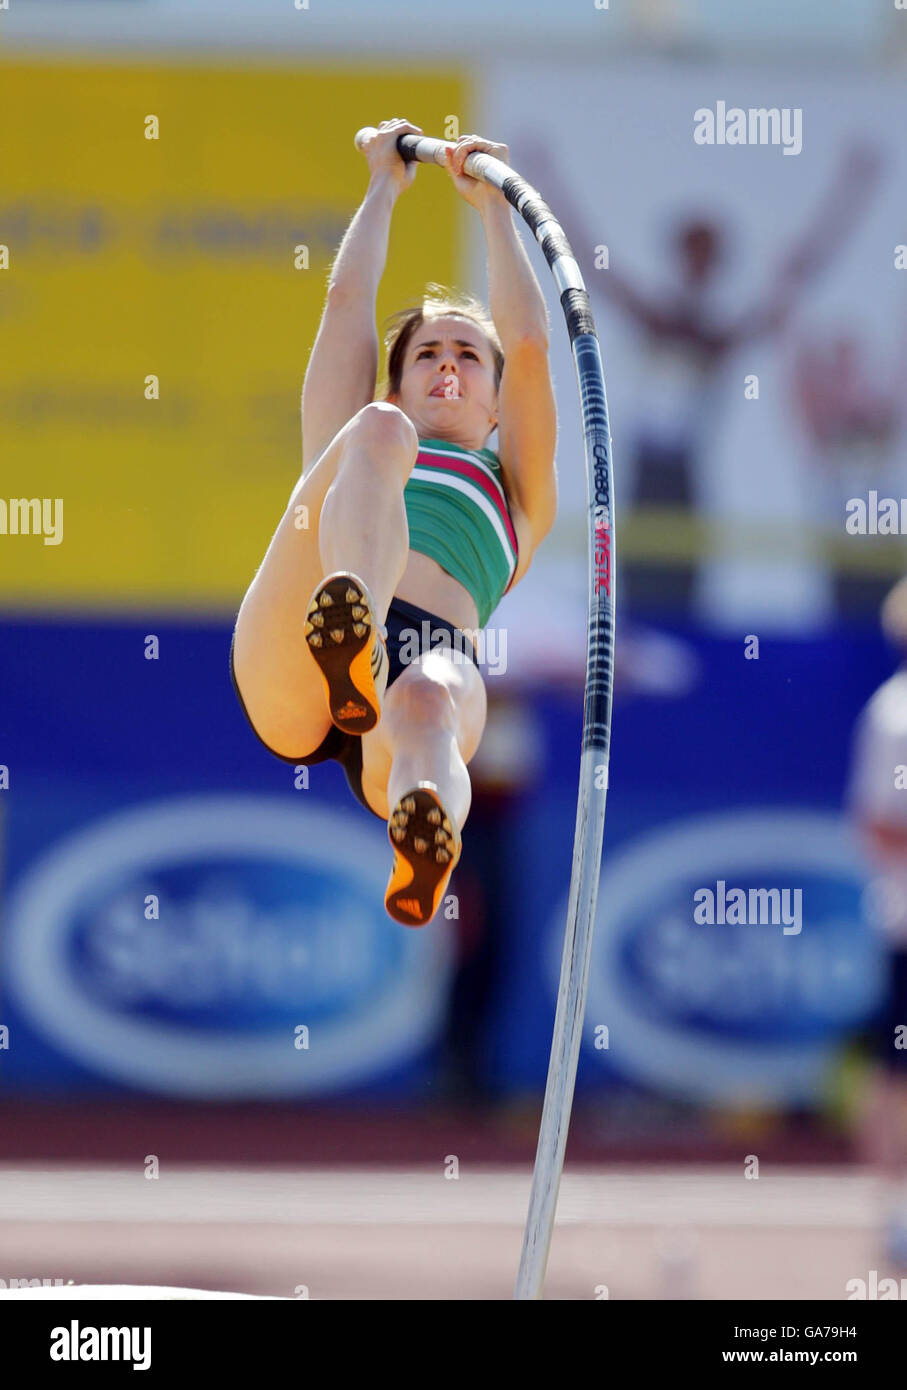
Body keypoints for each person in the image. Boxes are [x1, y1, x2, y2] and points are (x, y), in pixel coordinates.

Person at [231, 120, 557, 927]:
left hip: (420, 664)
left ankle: (422, 843)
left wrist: (492, 210)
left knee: (435, 697)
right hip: (310, 634)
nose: (447, 363)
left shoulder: (516, 490)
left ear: (493, 406)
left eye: (468, 356)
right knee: (375, 434)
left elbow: (527, 340)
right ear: (401, 376)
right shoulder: (366, 427)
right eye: (426, 354)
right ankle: (353, 635)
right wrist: (384, 182)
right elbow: (346, 302)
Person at [849, 575, 907, 1266]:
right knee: (894, 1071)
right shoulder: (894, 716)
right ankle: (893, 1207)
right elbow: (873, 822)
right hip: (904, 924)